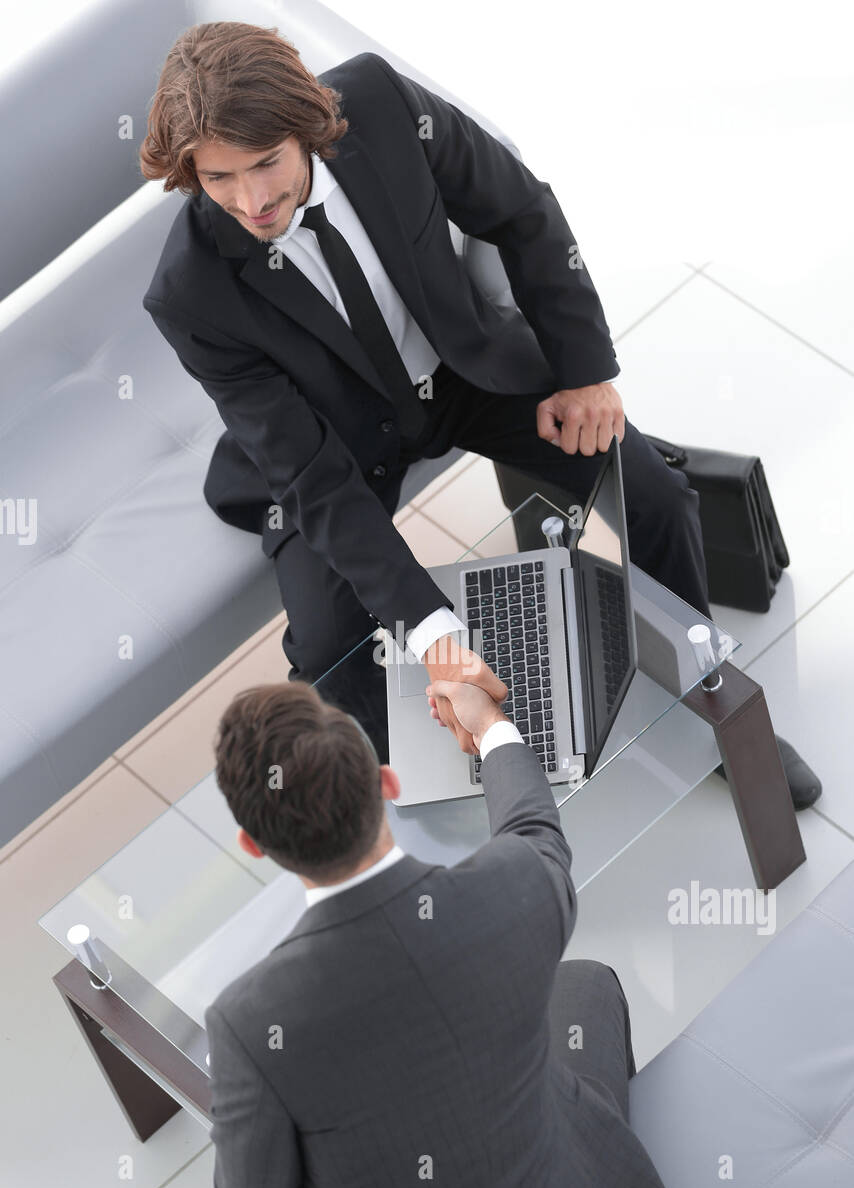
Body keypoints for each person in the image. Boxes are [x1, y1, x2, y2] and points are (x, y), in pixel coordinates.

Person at [137, 22, 821, 807]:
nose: (252, 201)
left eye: (267, 164)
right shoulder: (189, 291)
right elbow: (312, 478)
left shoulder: (381, 103)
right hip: (336, 447)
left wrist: (587, 372)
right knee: (328, 643)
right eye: (219, 178)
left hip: (465, 373)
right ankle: (402, 808)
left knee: (657, 497)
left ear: (309, 124)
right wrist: (436, 638)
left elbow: (521, 211)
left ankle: (716, 708)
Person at [205, 675, 681, 1188]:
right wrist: (487, 728)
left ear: (254, 845)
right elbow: (536, 834)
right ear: (387, 785)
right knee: (585, 984)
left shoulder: (246, 1021)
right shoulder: (510, 888)